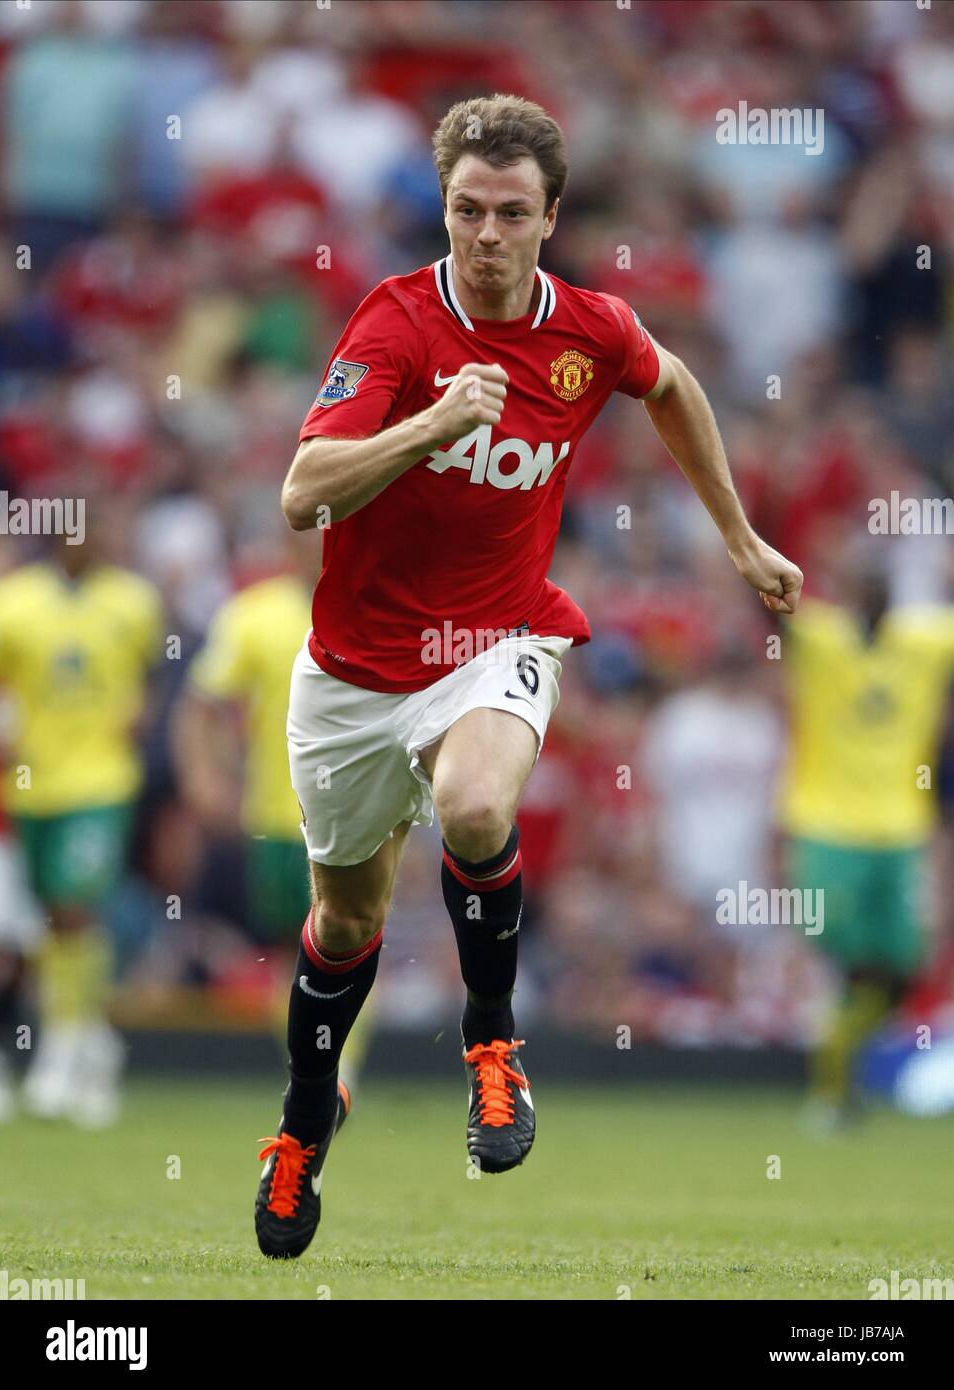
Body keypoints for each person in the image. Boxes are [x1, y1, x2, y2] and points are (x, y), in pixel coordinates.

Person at [255, 93, 803, 1259]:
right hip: (354, 672)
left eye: (510, 213)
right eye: (465, 210)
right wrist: (432, 423)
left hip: (498, 636)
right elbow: (303, 492)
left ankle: (491, 1049)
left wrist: (739, 538)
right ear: (442, 211)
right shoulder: (396, 327)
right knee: (344, 921)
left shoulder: (589, 328)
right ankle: (305, 1123)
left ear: (550, 218)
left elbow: (669, 385)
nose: (485, 235)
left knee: (475, 803)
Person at [174, 532, 374, 1087]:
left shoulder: (379, 607)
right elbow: (202, 703)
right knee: (292, 945)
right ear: (292, 542)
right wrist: (203, 775)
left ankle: (342, 1071)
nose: (325, 544)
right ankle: (310, 1066)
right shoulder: (252, 616)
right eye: (316, 533)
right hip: (276, 812)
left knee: (355, 932)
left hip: (361, 809)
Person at [779, 544, 954, 1128]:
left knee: (904, 964)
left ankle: (839, 1053)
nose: (875, 590)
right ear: (851, 587)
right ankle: (833, 1090)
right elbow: (767, 607)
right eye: (865, 580)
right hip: (828, 826)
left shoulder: (926, 642)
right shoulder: (822, 636)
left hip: (902, 828)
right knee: (847, 957)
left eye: (883, 581)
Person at [0, 530, 163, 1126]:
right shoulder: (13, 603)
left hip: (100, 781)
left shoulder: (133, 602)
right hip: (30, 784)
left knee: (74, 905)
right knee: (46, 919)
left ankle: (64, 1046)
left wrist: (142, 708)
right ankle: (93, 1041)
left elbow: (154, 673)